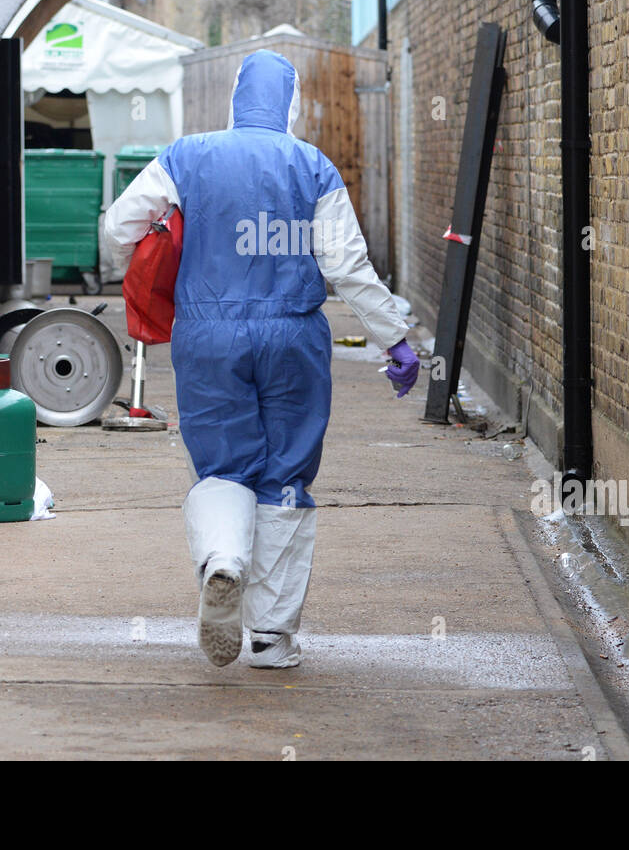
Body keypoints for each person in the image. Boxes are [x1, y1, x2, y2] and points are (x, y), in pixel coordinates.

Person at [102, 49, 420, 669]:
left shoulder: (187, 156)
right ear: (291, 106)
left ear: (234, 98)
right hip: (292, 340)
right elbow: (347, 267)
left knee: (223, 467)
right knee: (285, 477)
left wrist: (168, 235)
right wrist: (395, 340)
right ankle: (272, 639)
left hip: (209, 337)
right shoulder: (313, 166)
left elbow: (119, 226)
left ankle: (223, 560)